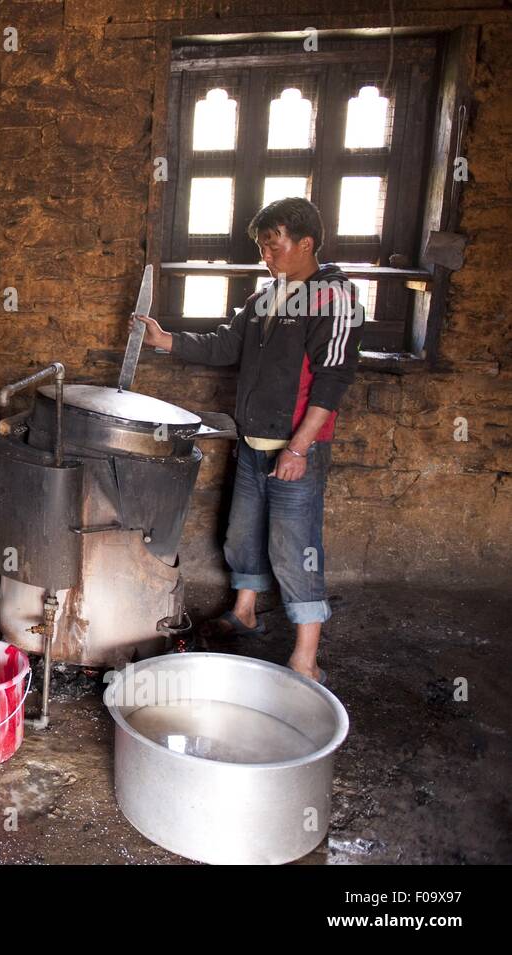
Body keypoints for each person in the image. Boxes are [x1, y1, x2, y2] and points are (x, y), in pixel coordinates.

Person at [134, 197, 363, 684]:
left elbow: (332, 381)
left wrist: (299, 448)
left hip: (294, 448)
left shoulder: (334, 299)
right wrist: (166, 340)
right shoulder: (268, 296)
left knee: (294, 547)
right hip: (251, 445)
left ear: (306, 243)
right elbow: (224, 344)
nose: (267, 255)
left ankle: (306, 658)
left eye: (274, 245)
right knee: (241, 535)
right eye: (262, 246)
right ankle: (245, 611)